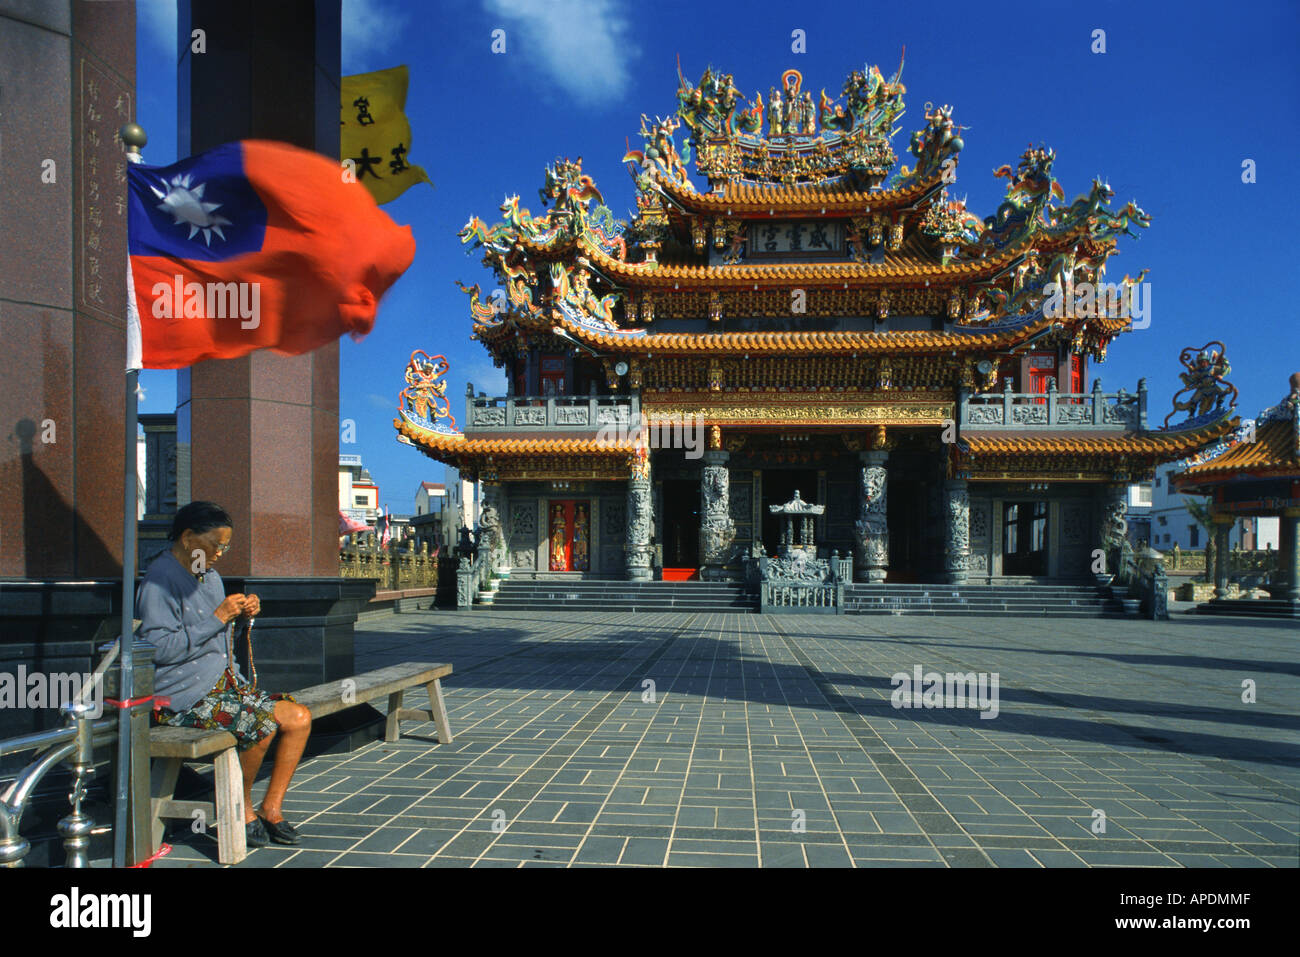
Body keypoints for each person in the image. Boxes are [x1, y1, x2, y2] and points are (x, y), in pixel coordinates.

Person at [136, 501, 312, 847]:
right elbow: (158, 649)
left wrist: (243, 613)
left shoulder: (209, 575)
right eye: (216, 544)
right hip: (180, 698)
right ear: (188, 538)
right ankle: (240, 807)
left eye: (225, 546)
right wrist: (217, 617)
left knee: (299, 717)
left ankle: (271, 808)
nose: (219, 553)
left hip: (223, 686)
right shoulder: (160, 580)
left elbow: (218, 635)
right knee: (260, 726)